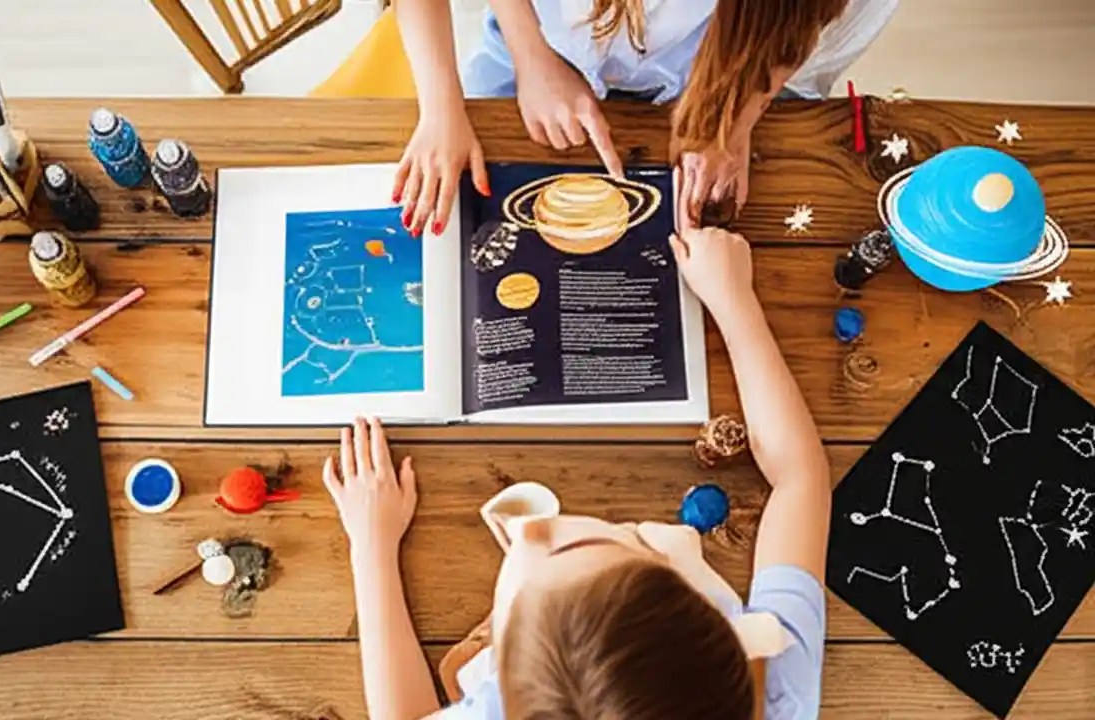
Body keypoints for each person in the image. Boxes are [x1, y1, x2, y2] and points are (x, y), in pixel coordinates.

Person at [323, 226, 832, 719]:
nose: (529, 532)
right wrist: (735, 303)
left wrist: (371, 545)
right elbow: (801, 477)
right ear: (681, 584)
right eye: (571, 544)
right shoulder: (774, 684)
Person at [391, 0, 898, 236]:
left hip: (722, 60)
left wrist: (735, 118)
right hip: (531, 31)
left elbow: (795, 24)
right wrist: (447, 106)